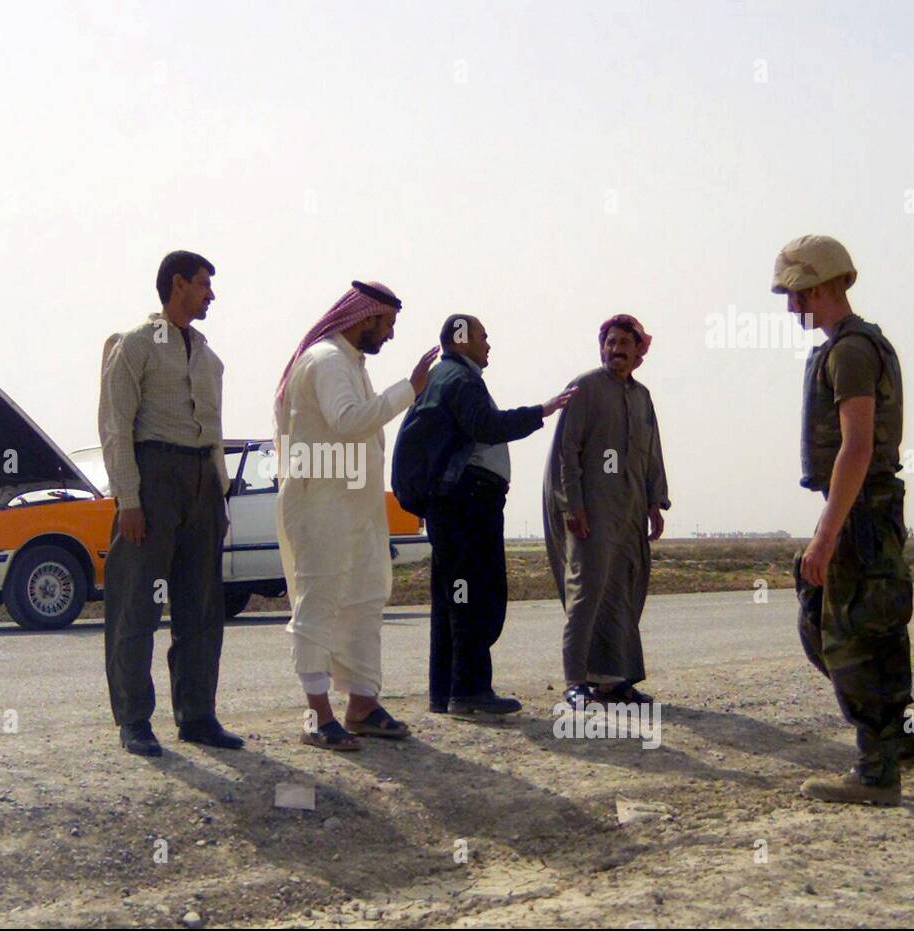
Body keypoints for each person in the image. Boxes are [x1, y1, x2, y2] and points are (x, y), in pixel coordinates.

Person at [773, 235, 914, 806]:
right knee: (864, 625)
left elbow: (856, 445)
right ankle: (896, 738)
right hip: (869, 507)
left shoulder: (852, 350)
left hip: (861, 508)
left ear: (819, 284)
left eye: (795, 293)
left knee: (847, 636)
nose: (791, 308)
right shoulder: (854, 344)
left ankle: (876, 769)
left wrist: (826, 535)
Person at [274, 280, 438, 751]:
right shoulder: (326, 361)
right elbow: (348, 421)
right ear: (364, 318)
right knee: (318, 604)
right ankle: (316, 716)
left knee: (365, 599)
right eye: (386, 323)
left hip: (356, 507)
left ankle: (362, 704)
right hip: (321, 504)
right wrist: (410, 389)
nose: (389, 334)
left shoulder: (350, 363)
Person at [392, 314, 574, 718]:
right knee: (475, 597)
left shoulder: (444, 378)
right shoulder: (459, 379)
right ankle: (469, 690)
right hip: (467, 505)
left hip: (454, 506)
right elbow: (486, 425)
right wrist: (541, 411)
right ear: (461, 338)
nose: (489, 344)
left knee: (453, 597)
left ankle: (448, 693)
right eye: (483, 336)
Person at [98, 250, 242, 757]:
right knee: (138, 603)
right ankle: (135, 720)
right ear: (177, 284)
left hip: (202, 480)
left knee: (202, 607)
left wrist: (220, 493)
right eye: (204, 284)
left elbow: (216, 431)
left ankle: (198, 716)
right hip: (153, 477)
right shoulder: (134, 344)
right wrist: (129, 500)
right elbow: (116, 427)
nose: (211, 295)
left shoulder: (207, 354)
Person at [542, 314, 670, 707]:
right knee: (587, 592)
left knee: (624, 592)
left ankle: (613, 681)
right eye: (610, 343)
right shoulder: (586, 387)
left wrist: (655, 501)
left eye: (623, 344)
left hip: (629, 509)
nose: (615, 350)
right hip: (591, 508)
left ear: (637, 352)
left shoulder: (642, 396)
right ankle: (575, 680)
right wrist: (572, 506)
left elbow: (652, 453)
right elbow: (568, 450)